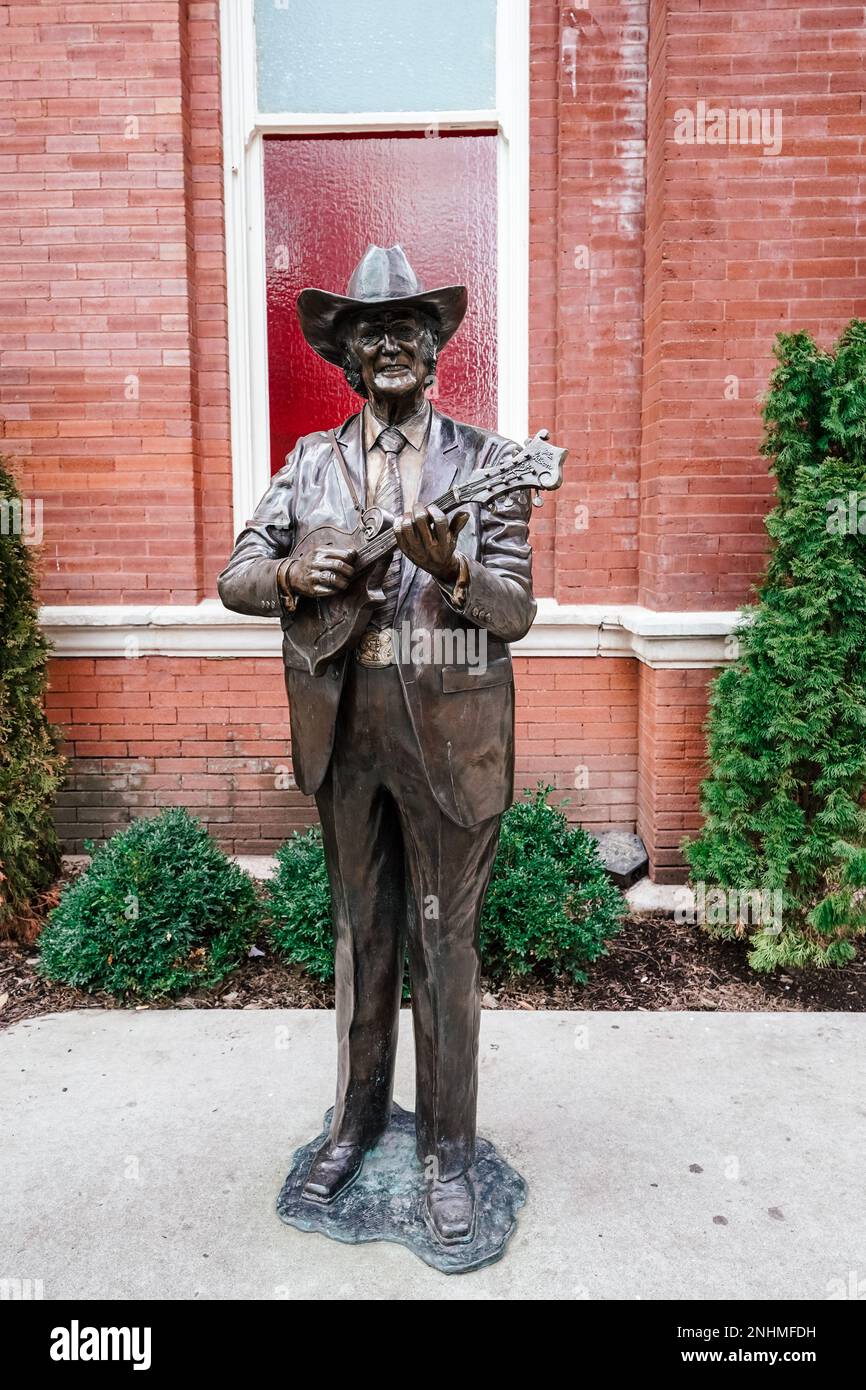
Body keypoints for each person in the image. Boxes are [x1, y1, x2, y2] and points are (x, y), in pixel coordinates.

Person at [218, 245, 536, 1244]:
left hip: (450, 740)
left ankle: (448, 1151)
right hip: (343, 736)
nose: (391, 341)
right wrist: (291, 572)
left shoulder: (489, 465)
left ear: (436, 347)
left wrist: (451, 576)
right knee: (361, 936)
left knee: (442, 944)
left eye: (410, 326)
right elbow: (237, 574)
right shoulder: (309, 461)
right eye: (370, 329)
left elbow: (516, 608)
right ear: (346, 355)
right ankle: (354, 1122)